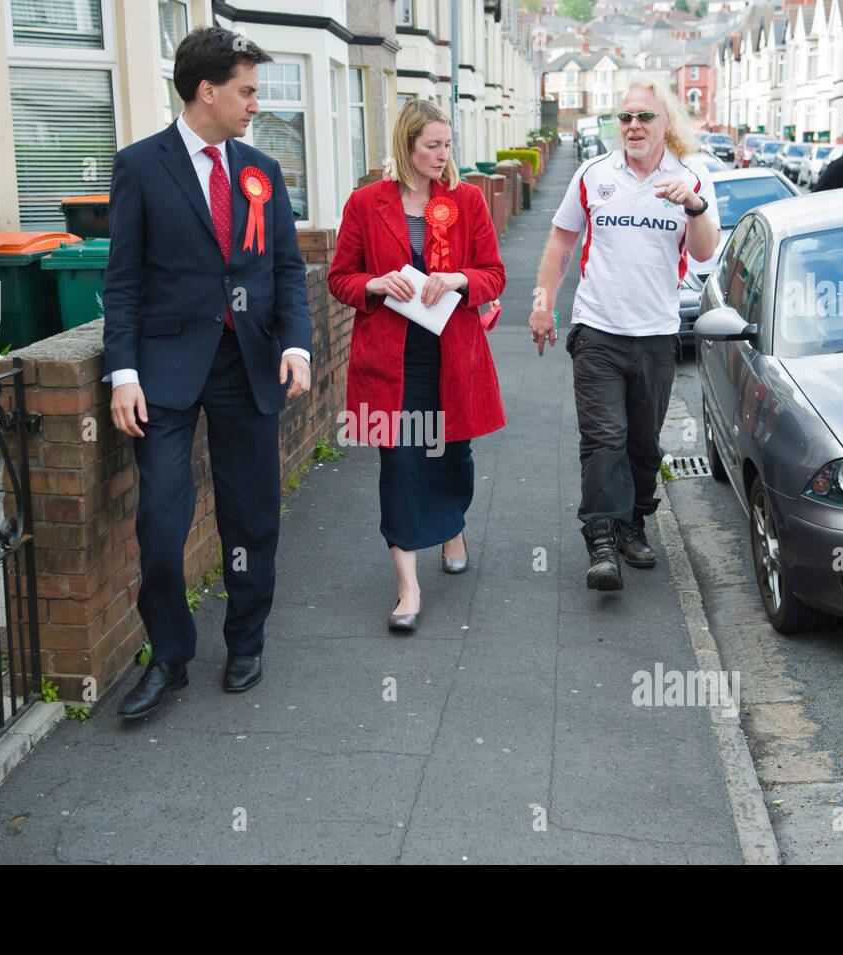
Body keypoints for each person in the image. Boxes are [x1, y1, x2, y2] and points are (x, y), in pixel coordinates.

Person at [103, 27, 312, 718]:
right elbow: (124, 281)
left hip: (247, 363)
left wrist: (297, 345)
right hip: (163, 370)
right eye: (247, 91)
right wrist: (123, 372)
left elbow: (283, 267)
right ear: (207, 90)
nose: (256, 104)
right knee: (161, 524)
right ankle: (169, 656)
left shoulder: (262, 170)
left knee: (251, 515)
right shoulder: (139, 166)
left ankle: (246, 639)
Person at [527, 78, 719, 592]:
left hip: (657, 336)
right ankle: (602, 541)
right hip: (598, 333)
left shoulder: (692, 176)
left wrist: (694, 205)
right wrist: (543, 303)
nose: (633, 125)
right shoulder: (594, 174)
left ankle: (634, 525)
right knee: (603, 441)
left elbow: (704, 254)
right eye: (626, 116)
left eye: (645, 117)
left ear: (666, 124)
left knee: (642, 444)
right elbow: (563, 241)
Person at [328, 100, 506, 632]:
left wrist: (459, 280)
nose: (442, 154)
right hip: (390, 362)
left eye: (447, 145)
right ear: (407, 146)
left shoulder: (467, 199)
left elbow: (494, 274)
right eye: (432, 145)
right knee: (401, 463)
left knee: (452, 456)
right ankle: (408, 587)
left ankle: (452, 526)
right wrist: (376, 284)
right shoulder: (365, 203)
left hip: (453, 358)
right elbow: (341, 278)